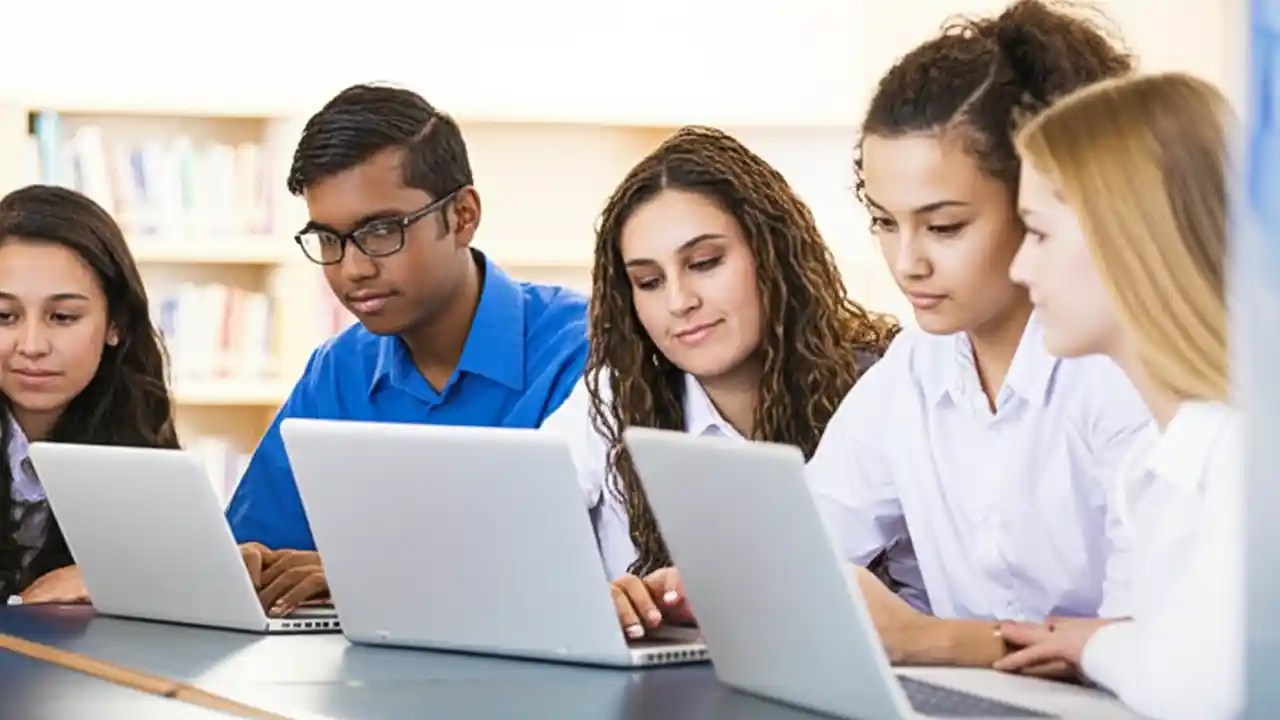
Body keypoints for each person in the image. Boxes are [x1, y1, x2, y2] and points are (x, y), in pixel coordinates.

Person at [803, 0, 1155, 668]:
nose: (907, 262)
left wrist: (927, 640)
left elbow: (1148, 649)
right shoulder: (917, 366)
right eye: (884, 221)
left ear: (1042, 201)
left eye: (944, 227)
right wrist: (686, 591)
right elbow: (803, 537)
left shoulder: (1122, 375)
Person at [226, 84, 590, 617]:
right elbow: (257, 547)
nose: (352, 268)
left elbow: (591, 569)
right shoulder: (337, 372)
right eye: (328, 239)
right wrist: (245, 563)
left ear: (462, 216)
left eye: (380, 231)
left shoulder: (583, 352)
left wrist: (368, 574)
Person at [542, 126, 901, 639]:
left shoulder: (882, 388)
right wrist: (586, 598)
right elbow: (510, 531)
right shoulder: (613, 395)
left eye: (705, 264)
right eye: (649, 281)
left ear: (773, 254)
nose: (679, 301)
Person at [994, 72, 1242, 718]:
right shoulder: (1157, 466)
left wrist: (1101, 646)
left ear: (1124, 237)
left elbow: (1201, 688)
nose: (1019, 269)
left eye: (1039, 233)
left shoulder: (1242, 459)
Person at [0, 185, 180, 604]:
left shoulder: (140, 439)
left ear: (115, 323)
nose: (31, 345)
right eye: (5, 316)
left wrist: (111, 581)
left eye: (63, 317)